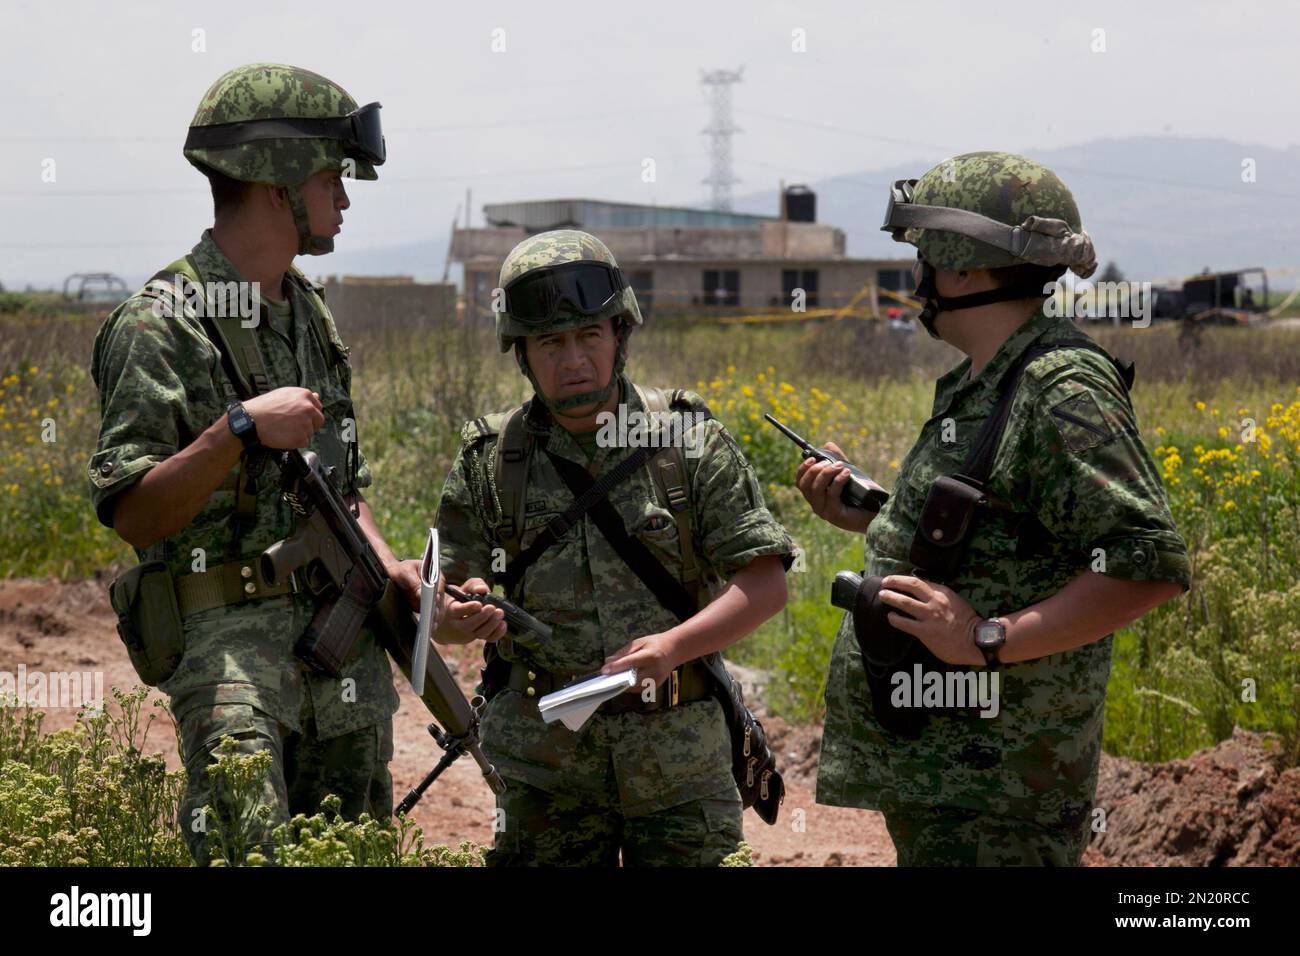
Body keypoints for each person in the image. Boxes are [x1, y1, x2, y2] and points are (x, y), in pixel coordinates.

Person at [803, 152, 1190, 866]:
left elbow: (1148, 564)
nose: (917, 279)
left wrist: (985, 637)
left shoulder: (1061, 388)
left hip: (1001, 793)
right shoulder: (988, 381)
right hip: (949, 778)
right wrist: (873, 516)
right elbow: (1006, 534)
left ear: (961, 268)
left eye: (924, 259)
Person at [88, 63, 419, 864]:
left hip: (338, 651)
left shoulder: (308, 311)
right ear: (276, 182)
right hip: (231, 666)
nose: (344, 196)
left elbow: (345, 484)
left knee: (358, 852)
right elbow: (133, 512)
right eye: (333, 176)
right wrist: (234, 430)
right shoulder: (160, 325)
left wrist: (390, 567)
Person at [433, 229, 795, 866]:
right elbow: (450, 598)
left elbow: (764, 584)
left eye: (589, 336)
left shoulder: (687, 442)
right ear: (521, 352)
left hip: (681, 763)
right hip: (544, 768)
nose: (573, 358)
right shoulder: (490, 460)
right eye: (550, 341)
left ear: (619, 335)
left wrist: (671, 647)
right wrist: (468, 610)